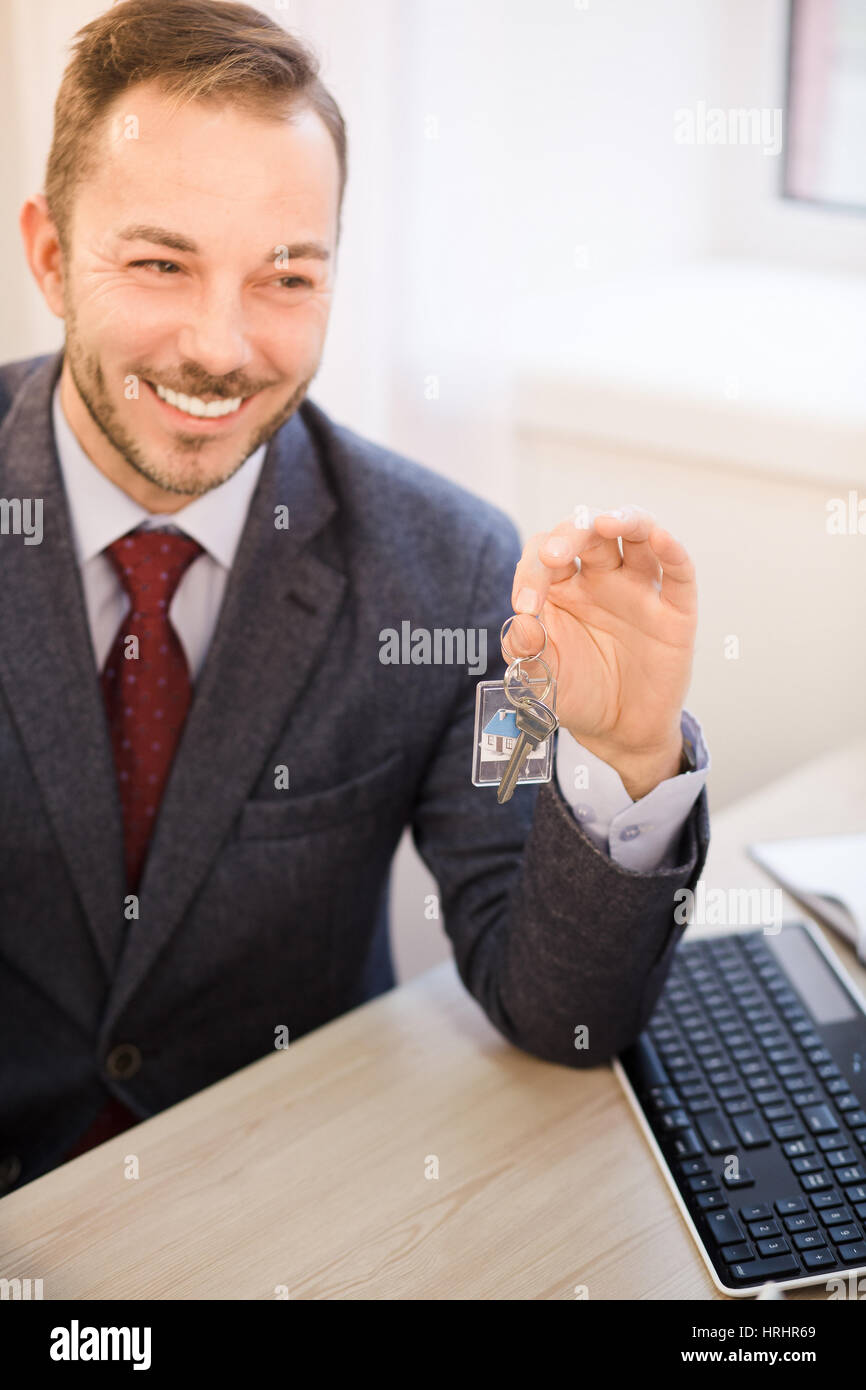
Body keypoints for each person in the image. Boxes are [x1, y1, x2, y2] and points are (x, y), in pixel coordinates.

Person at [0, 0, 710, 1196]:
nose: (220, 347)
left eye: (286, 276)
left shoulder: (447, 568)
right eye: (161, 263)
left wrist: (625, 758)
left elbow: (564, 1019)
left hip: (300, 1209)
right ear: (55, 257)